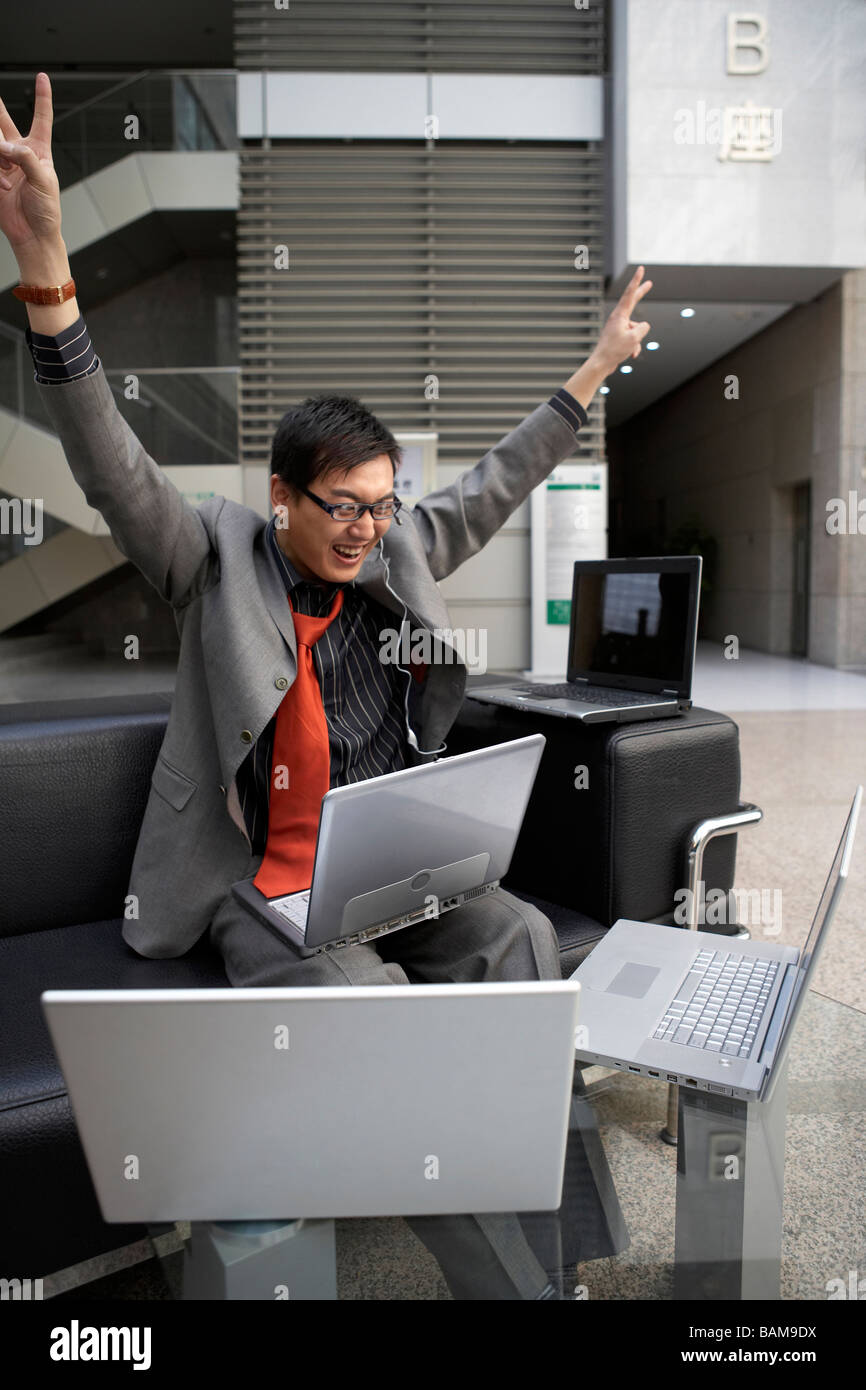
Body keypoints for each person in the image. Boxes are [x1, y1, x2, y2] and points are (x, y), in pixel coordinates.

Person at [0, 72, 652, 1300]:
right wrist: (46, 264)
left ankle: (559, 1261)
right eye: (339, 508)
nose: (365, 530)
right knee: (369, 1012)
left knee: (517, 936)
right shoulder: (209, 557)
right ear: (281, 500)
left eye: (380, 504)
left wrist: (594, 368)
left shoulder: (397, 547)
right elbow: (106, 459)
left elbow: (501, 480)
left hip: (390, 877)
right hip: (271, 889)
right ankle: (497, 1291)